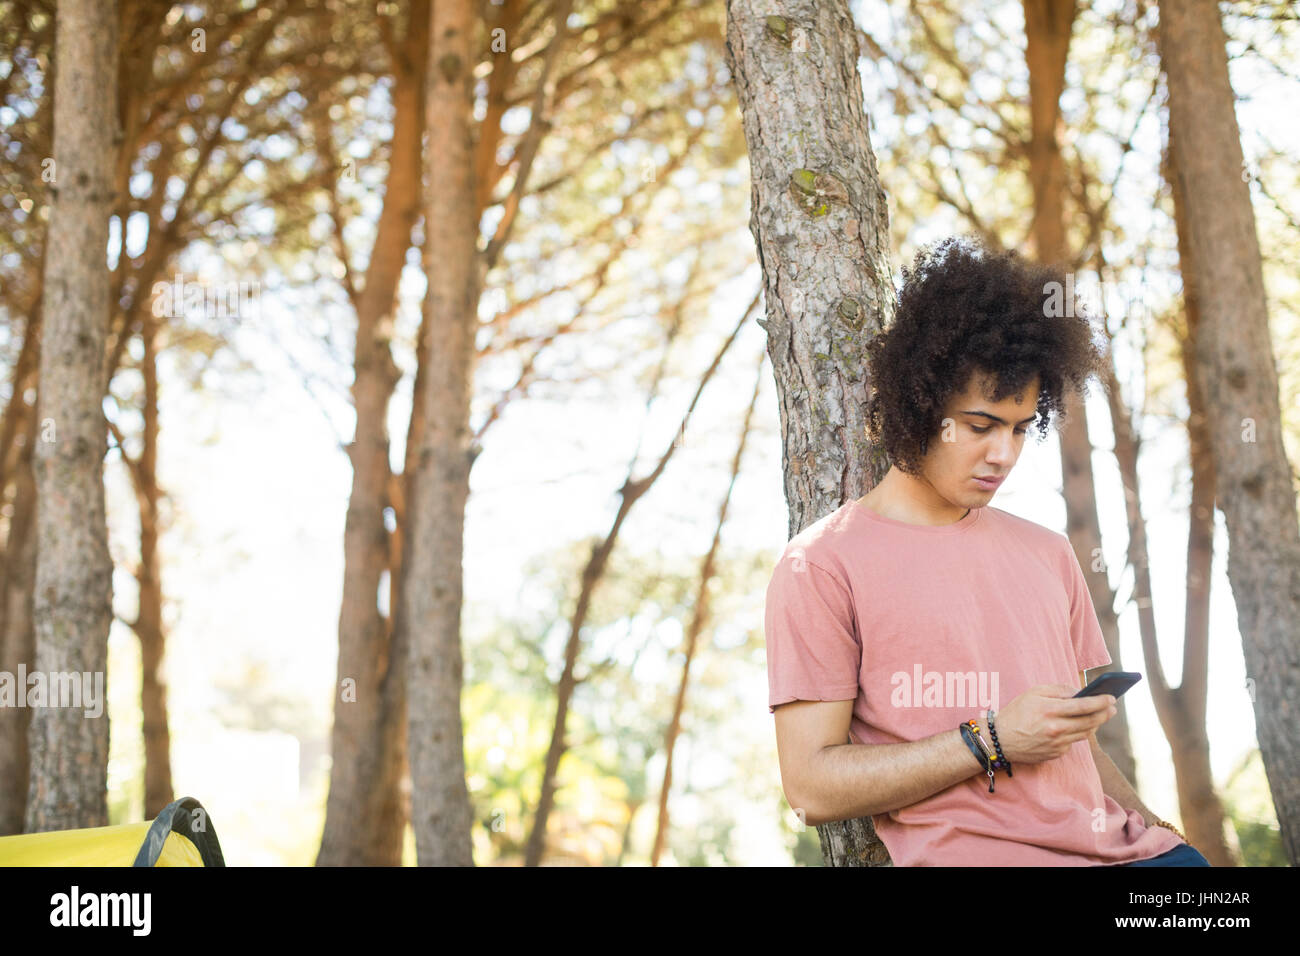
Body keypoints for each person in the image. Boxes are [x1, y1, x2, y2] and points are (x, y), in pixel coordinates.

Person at [764, 236, 1210, 866]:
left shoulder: (1049, 554)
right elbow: (810, 786)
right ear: (917, 407)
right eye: (979, 426)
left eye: (1020, 428)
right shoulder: (821, 565)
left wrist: (1163, 833)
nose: (1004, 454)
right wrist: (991, 740)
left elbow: (1075, 752)